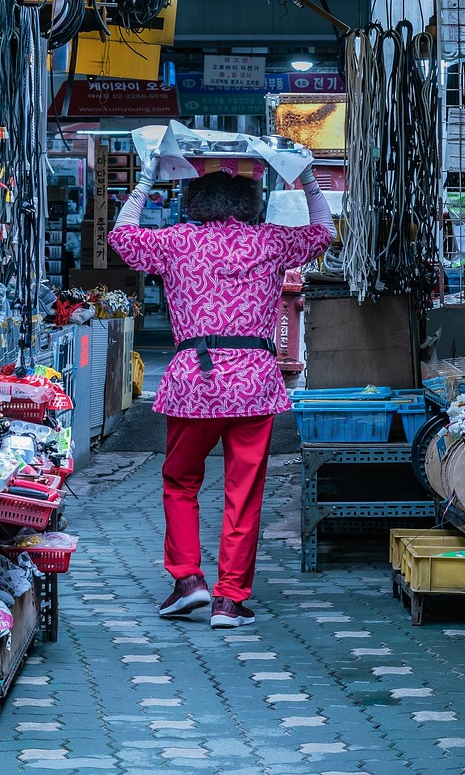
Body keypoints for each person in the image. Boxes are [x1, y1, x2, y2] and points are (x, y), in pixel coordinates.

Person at [109, 159, 336, 629]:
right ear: (250, 204)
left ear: (195, 200)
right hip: (254, 382)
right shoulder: (271, 240)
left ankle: (188, 581)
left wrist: (146, 180)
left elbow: (121, 238)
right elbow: (323, 231)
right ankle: (229, 600)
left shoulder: (175, 241)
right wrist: (308, 177)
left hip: (196, 379)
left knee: (180, 481)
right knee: (244, 492)